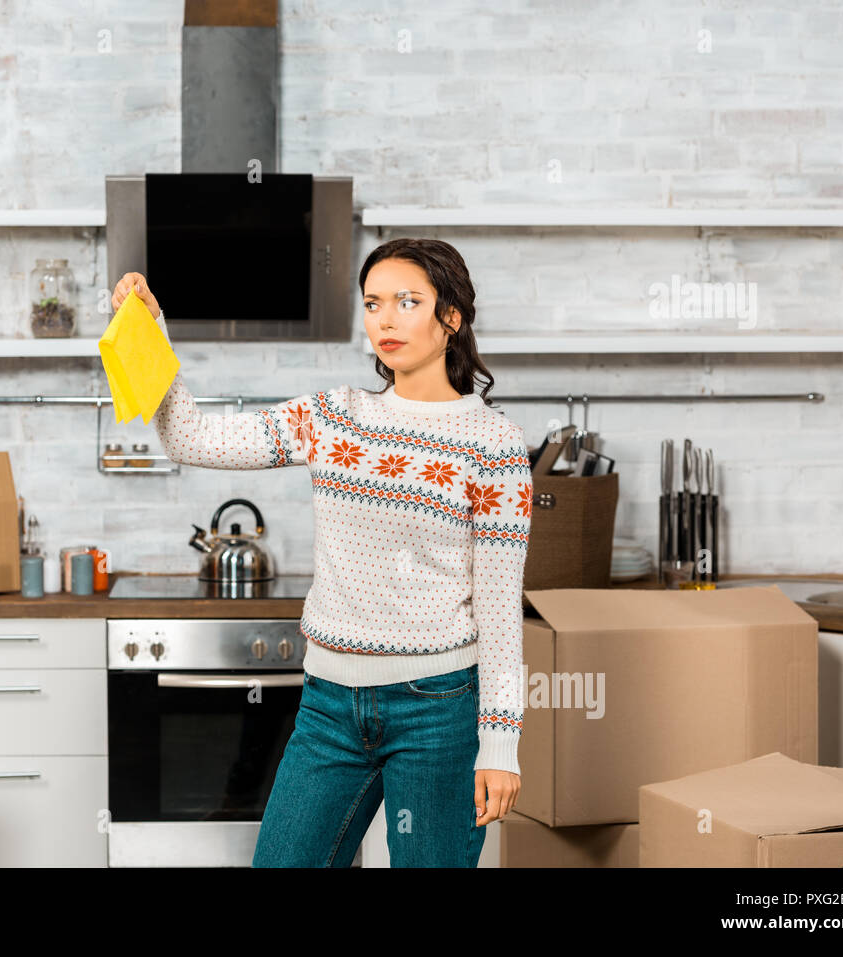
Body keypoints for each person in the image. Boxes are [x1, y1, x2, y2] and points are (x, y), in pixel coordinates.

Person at [109, 236, 531, 867]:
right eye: (373, 303)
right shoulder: (332, 418)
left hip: (438, 711)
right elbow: (191, 440)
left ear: (452, 317)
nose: (385, 319)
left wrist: (501, 744)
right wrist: (151, 330)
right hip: (329, 705)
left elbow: (500, 610)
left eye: (407, 302)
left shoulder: (494, 445)